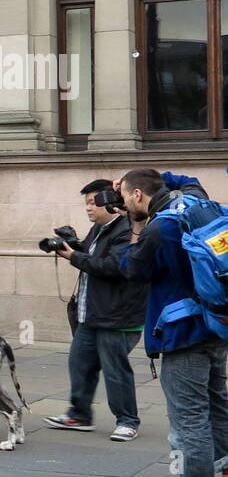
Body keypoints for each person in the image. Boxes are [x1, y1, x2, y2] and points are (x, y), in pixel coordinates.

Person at [118, 168, 228, 477]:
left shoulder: (158, 229)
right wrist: (154, 176)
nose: (122, 203)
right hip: (216, 325)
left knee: (190, 420)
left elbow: (130, 270)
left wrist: (134, 227)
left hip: (183, 335)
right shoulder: (200, 203)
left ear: (138, 195)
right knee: (217, 410)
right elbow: (184, 179)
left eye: (124, 196)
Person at [43, 179, 147, 441]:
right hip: (92, 315)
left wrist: (73, 256)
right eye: (86, 203)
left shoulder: (126, 230)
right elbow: (94, 256)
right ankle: (79, 415)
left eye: (93, 202)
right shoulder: (100, 229)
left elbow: (113, 267)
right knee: (80, 363)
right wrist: (72, 244)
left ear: (111, 202)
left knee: (115, 371)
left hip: (118, 317)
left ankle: (127, 421)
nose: (89, 208)